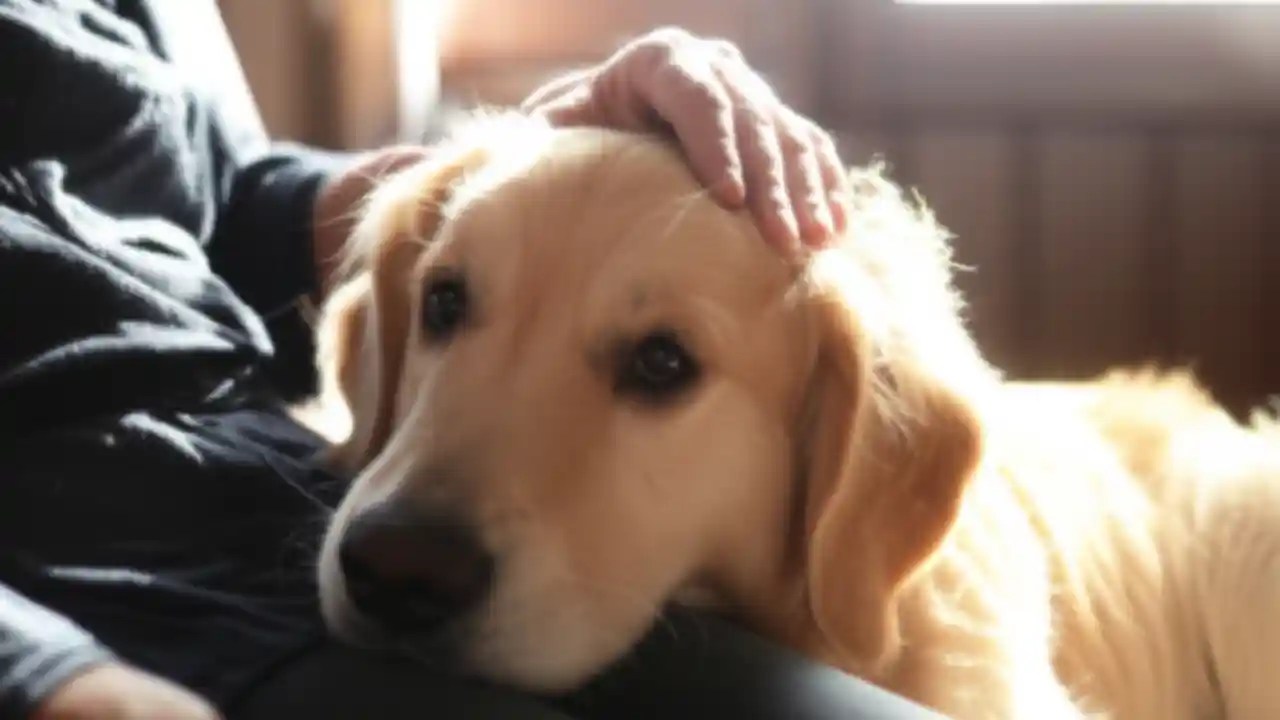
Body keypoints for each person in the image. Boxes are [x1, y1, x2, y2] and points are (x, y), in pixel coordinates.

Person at [0, 2, 944, 719]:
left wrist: (548, 162)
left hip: (262, 511)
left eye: (660, 363)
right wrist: (42, 675)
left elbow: (223, 202)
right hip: (87, 594)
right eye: (446, 304)